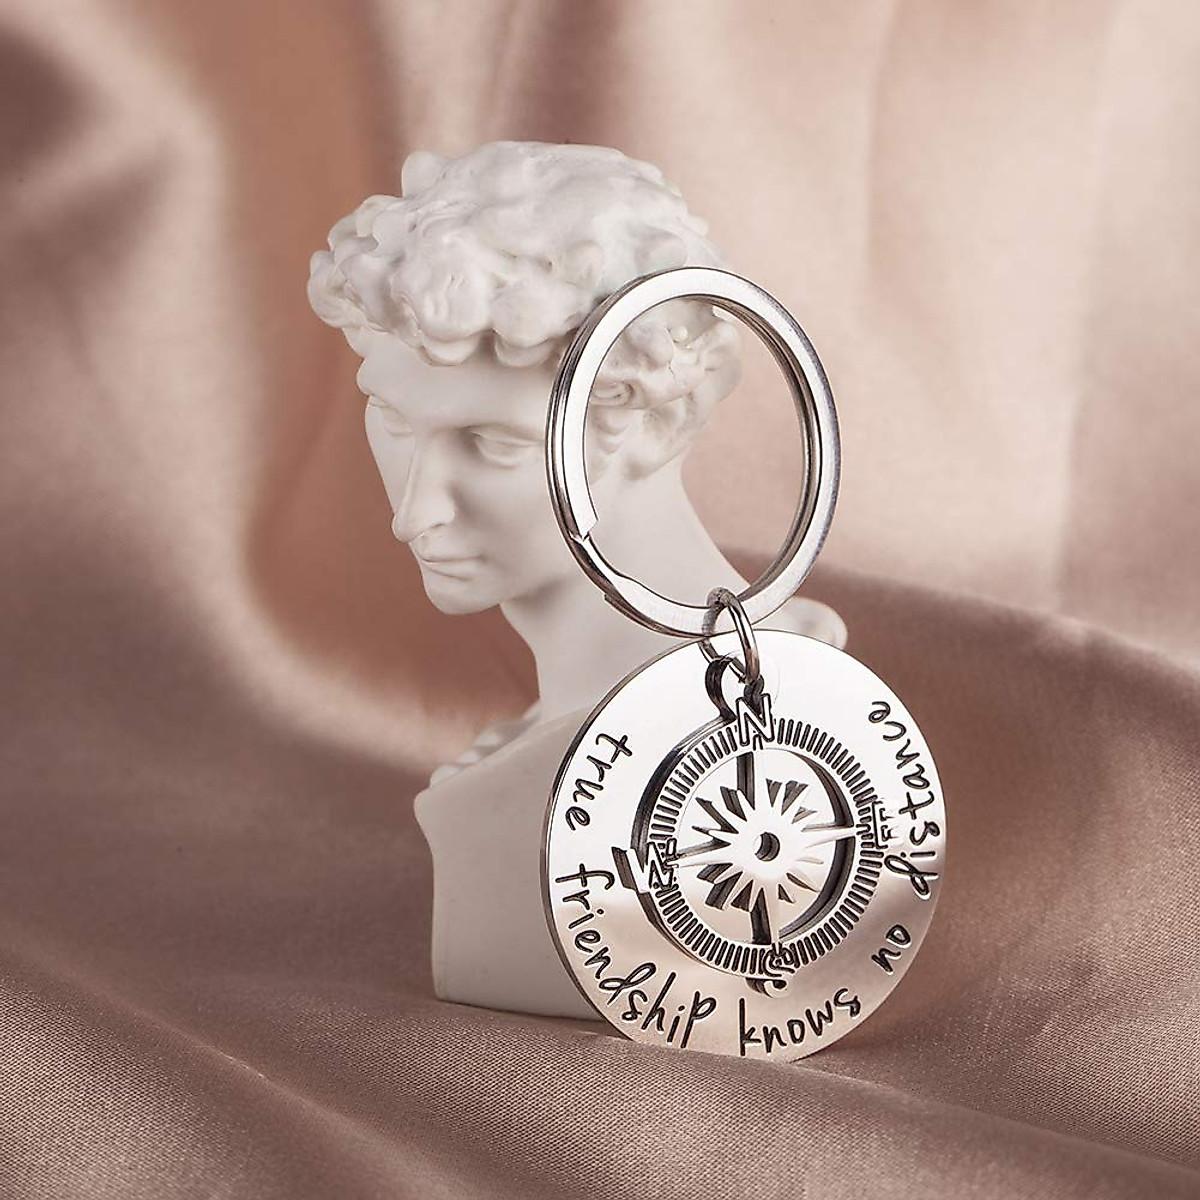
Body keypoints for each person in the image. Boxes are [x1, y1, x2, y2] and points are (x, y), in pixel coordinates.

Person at [308, 140, 846, 1015]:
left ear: (651, 425)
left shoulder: (757, 718)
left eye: (494, 444)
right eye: (395, 423)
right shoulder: (540, 732)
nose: (414, 513)